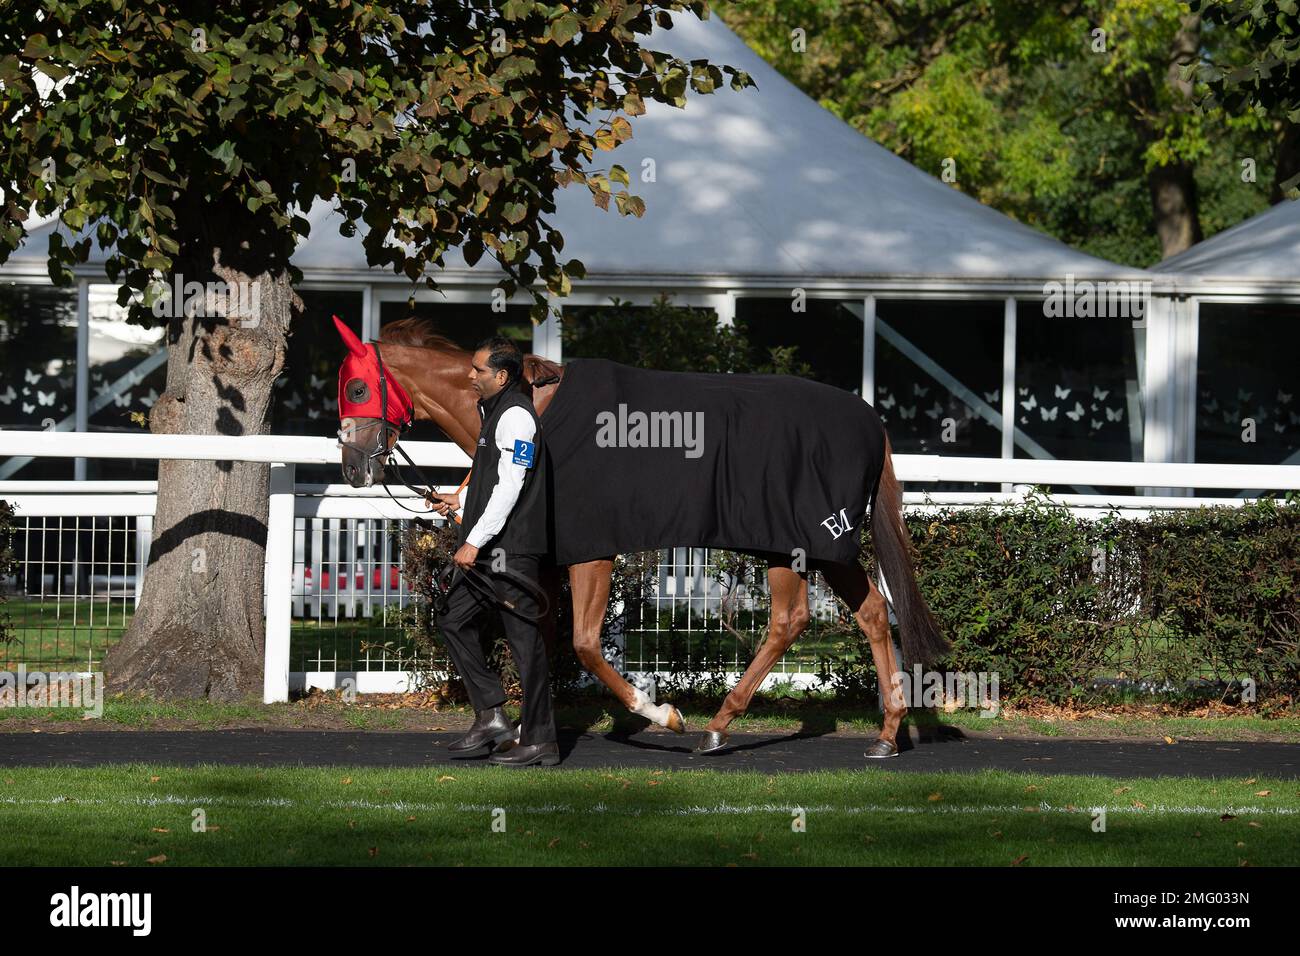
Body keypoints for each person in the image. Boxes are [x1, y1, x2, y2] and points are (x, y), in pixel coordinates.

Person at [430, 336, 559, 767]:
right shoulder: (494, 413)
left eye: (478, 370)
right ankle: (491, 717)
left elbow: (512, 486)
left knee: (525, 642)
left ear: (501, 376)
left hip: (511, 551)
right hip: (491, 548)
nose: (470, 375)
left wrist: (472, 540)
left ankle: (540, 739)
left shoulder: (517, 417)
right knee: (452, 619)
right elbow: (493, 482)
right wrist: (460, 503)